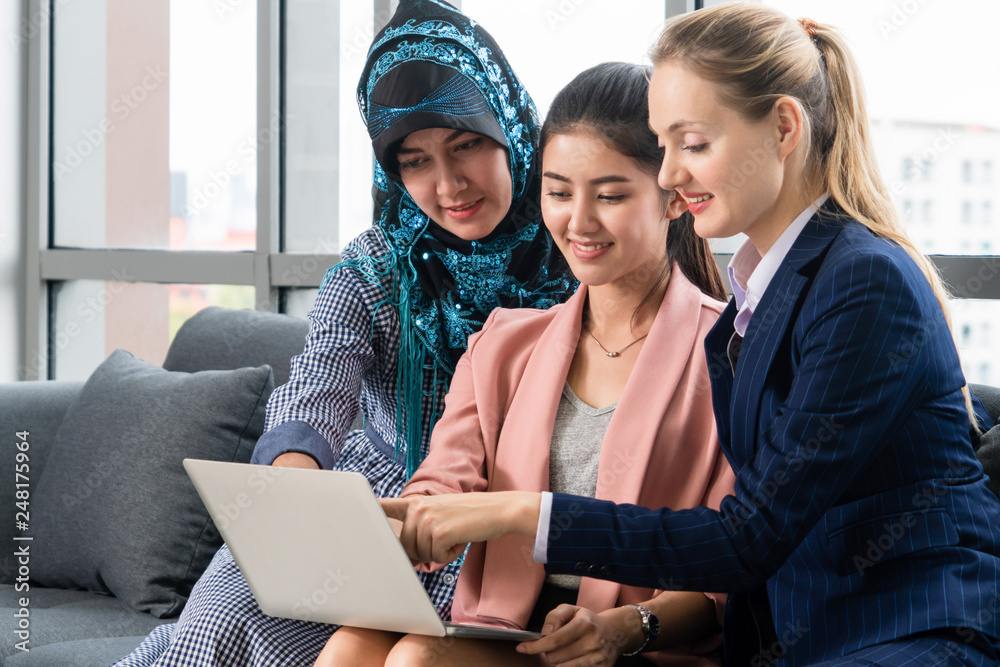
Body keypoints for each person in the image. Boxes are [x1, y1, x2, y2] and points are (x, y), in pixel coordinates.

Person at [381, 4, 1000, 666]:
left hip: (912, 629)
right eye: (664, 145)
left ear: (784, 128)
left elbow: (746, 538)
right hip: (820, 639)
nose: (671, 175)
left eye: (693, 144)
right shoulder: (760, 301)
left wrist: (522, 515)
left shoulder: (862, 282)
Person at [113, 1, 574, 665]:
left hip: (493, 528)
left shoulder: (576, 256)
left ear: (505, 125)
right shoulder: (376, 267)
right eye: (414, 160)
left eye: (466, 144)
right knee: (218, 623)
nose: (448, 184)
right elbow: (315, 388)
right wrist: (297, 495)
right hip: (367, 513)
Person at [317, 62, 736, 667]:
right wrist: (402, 522)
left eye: (610, 195)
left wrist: (626, 626)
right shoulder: (504, 344)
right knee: (349, 646)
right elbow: (445, 482)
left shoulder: (731, 353)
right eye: (559, 193)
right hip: (506, 627)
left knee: (418, 659)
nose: (579, 222)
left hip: (638, 640)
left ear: (674, 196)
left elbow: (728, 565)